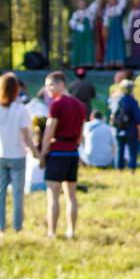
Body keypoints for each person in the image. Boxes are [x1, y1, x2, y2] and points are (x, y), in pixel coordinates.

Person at [37, 71, 86, 240]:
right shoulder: (80, 105)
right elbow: (81, 134)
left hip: (57, 152)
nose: (47, 89)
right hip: (72, 152)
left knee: (53, 195)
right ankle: (71, 231)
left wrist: (43, 154)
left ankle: (52, 232)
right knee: (71, 196)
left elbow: (48, 132)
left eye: (50, 84)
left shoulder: (56, 104)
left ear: (61, 84)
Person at [0, 73, 37, 236]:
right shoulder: (21, 109)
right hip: (17, 154)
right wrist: (35, 152)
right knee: (17, 194)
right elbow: (25, 135)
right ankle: (17, 227)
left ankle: (0, 227)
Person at [109, 79, 140, 172]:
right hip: (131, 130)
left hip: (118, 130)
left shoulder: (115, 100)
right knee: (132, 150)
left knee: (120, 150)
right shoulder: (132, 101)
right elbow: (138, 119)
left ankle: (119, 168)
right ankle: (132, 168)